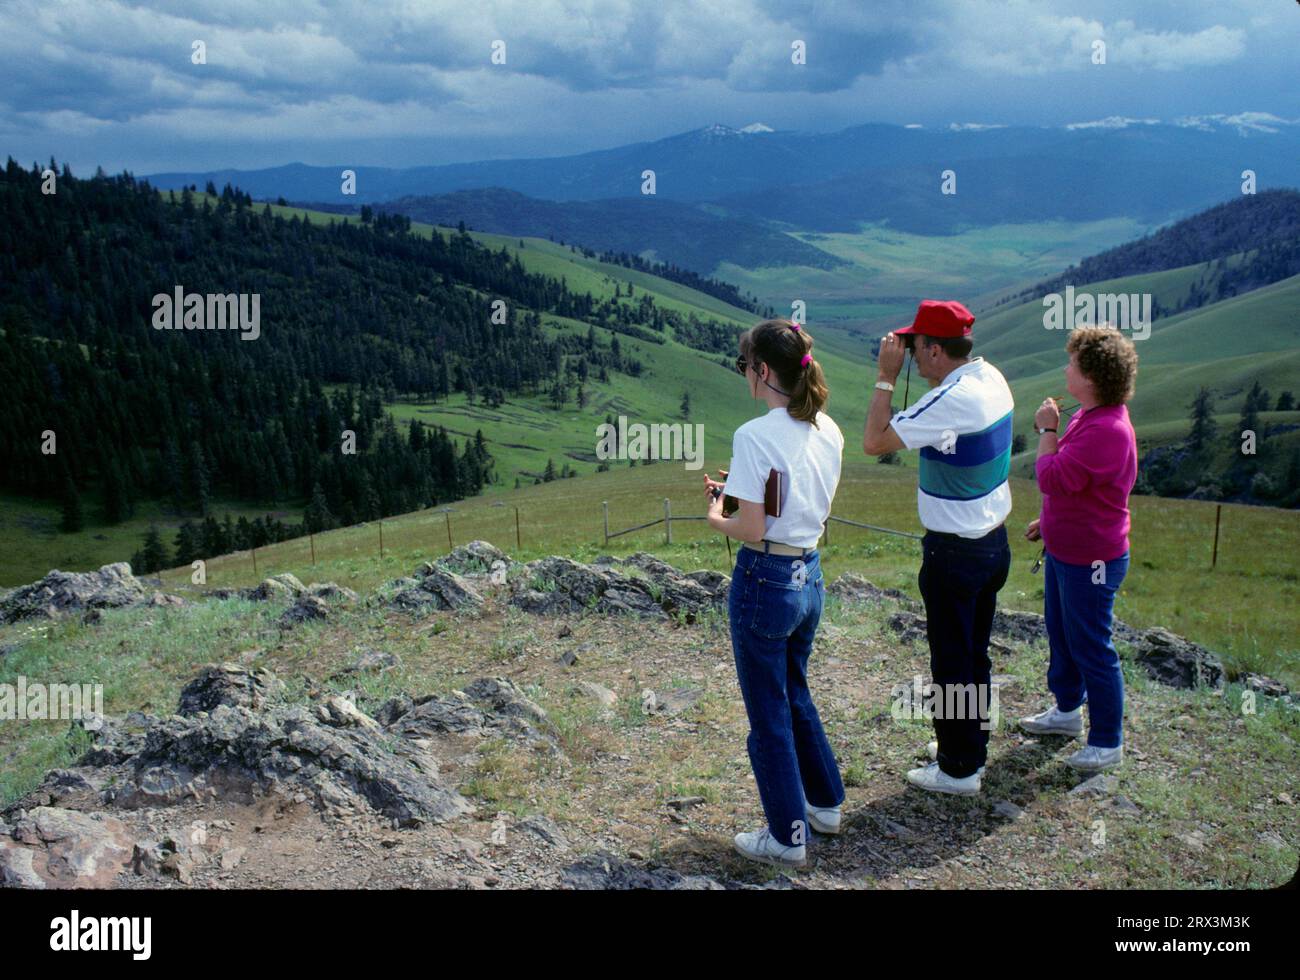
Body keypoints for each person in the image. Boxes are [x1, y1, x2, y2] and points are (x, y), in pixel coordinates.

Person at [703, 318, 845, 868]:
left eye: (746, 368)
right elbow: (789, 501)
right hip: (809, 575)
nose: (745, 377)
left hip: (765, 580)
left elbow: (754, 529)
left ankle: (786, 837)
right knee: (795, 691)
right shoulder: (826, 429)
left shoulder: (754, 435)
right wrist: (743, 492)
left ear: (762, 370)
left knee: (767, 711)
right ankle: (824, 803)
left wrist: (719, 514)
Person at [862, 300, 1013, 795]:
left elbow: (875, 440)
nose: (910, 355)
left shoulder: (951, 398)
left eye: (915, 346)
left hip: (954, 552)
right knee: (974, 654)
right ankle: (970, 742)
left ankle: (957, 768)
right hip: (993, 542)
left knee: (951, 660)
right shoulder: (989, 377)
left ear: (933, 349)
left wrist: (886, 377)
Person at [1020, 326, 1138, 771]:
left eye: (1071, 363)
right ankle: (1067, 712)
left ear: (1090, 376)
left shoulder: (1106, 429)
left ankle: (1107, 742)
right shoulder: (1092, 415)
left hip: (1093, 559)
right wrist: (1049, 524)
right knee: (1063, 635)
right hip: (1069, 549)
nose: (1065, 368)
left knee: (1092, 646)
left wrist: (1047, 430)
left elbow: (1050, 476)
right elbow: (1078, 486)